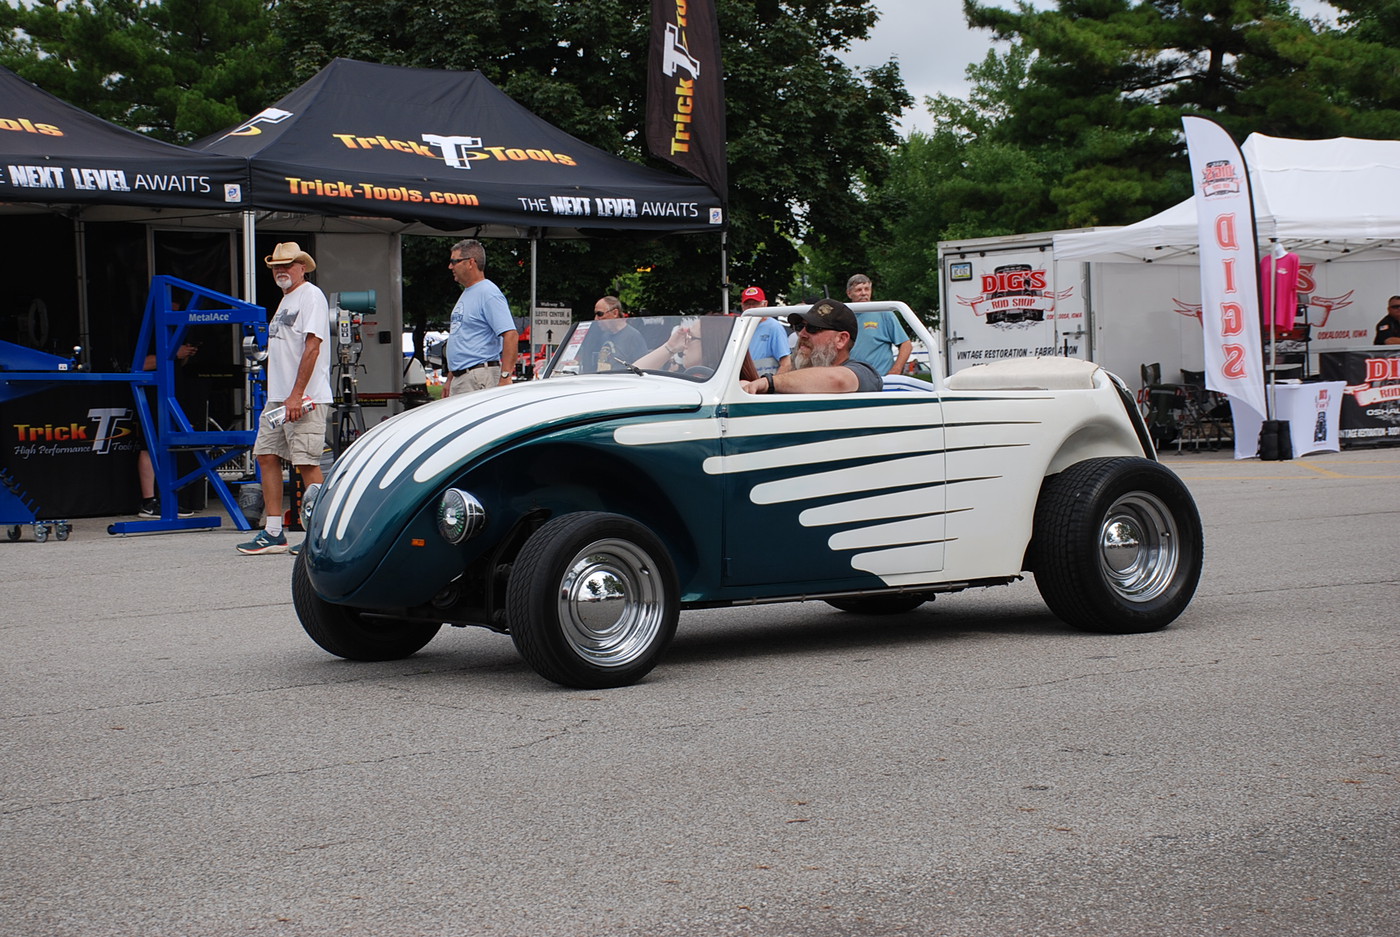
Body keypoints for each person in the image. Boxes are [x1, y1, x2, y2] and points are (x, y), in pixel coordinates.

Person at [236, 242, 332, 556]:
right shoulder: (287, 300)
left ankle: (318, 534)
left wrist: (296, 394)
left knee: (306, 461)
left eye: (287, 265)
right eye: (276, 266)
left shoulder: (311, 295)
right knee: (265, 456)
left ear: (302, 267)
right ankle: (274, 531)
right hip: (280, 396)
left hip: (303, 397)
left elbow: (313, 347)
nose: (281, 271)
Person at [740, 298, 881, 395]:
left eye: (813, 328)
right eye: (800, 326)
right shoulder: (792, 379)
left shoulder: (864, 373)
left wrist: (769, 383)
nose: (802, 334)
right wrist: (747, 388)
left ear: (841, 339)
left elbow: (837, 380)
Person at [443, 239, 517, 396]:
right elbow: (461, 339)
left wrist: (505, 377)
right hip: (464, 376)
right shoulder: (469, 292)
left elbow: (510, 334)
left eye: (454, 261)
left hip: (478, 377)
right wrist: (451, 378)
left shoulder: (488, 293)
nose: (450, 267)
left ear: (471, 262)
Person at [136, 337, 199, 518]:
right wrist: (173, 353)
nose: (176, 308)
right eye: (175, 306)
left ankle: (170, 499)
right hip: (152, 397)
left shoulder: (177, 331)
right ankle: (149, 502)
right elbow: (139, 364)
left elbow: (177, 365)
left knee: (173, 446)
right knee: (149, 447)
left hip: (174, 396)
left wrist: (184, 354)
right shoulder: (147, 333)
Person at [845, 273, 912, 377]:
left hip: (880, 379)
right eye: (859, 290)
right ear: (849, 293)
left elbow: (906, 345)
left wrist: (896, 371)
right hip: (852, 379)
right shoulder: (843, 316)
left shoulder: (884, 312)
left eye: (867, 289)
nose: (864, 293)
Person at [578, 295, 649, 372]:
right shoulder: (604, 335)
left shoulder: (633, 336)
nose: (596, 319)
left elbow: (643, 367)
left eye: (600, 314)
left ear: (615, 313)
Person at [739, 286, 791, 377]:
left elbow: (786, 363)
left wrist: (772, 386)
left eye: (755, 303)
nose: (751, 308)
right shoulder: (739, 327)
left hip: (764, 386)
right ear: (742, 306)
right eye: (747, 304)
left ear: (764, 304)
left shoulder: (774, 327)